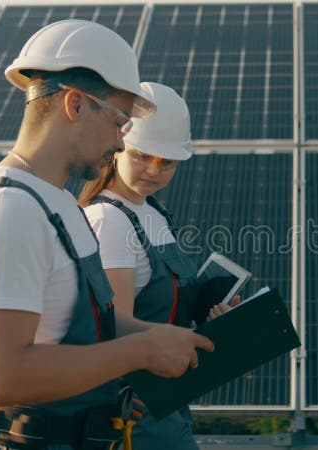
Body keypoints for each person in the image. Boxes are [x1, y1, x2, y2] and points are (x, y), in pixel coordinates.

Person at [0, 20, 213, 450]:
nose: (121, 143)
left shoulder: (57, 204)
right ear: (76, 105)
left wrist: (158, 337)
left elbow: (86, 324)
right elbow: (5, 377)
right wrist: (141, 353)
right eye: (120, 120)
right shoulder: (8, 212)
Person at [79, 83, 237, 449]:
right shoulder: (108, 219)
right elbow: (113, 329)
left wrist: (209, 317)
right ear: (119, 147)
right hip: (134, 411)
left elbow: (167, 312)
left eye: (166, 162)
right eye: (143, 155)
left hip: (167, 402)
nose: (154, 170)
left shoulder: (153, 213)